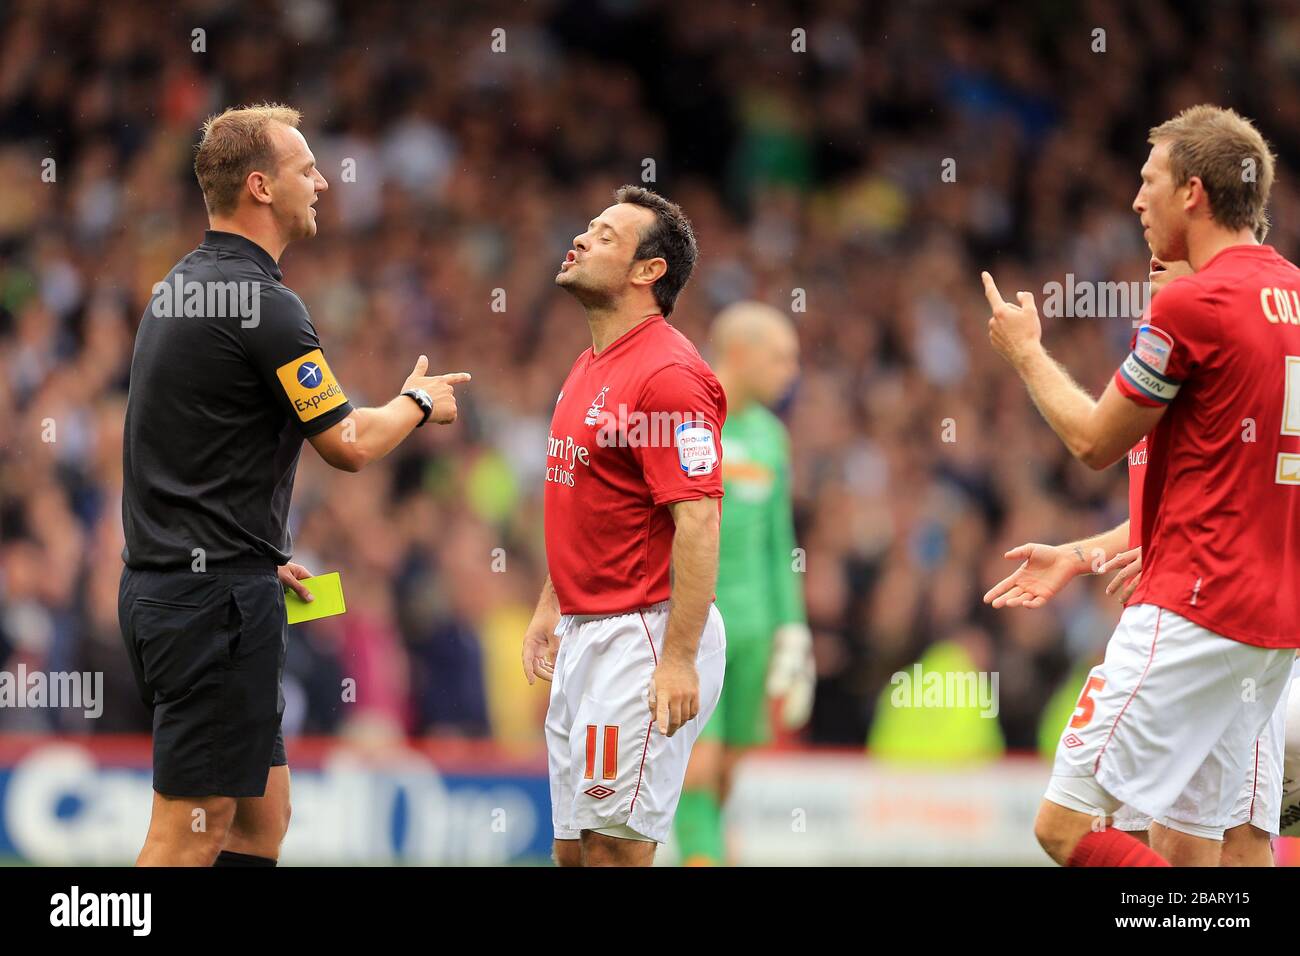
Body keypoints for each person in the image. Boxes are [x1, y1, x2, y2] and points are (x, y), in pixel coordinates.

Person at [120, 103, 469, 866]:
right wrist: (416, 403)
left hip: (201, 586)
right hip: (208, 607)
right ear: (260, 187)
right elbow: (345, 443)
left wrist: (246, 552)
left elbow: (182, 451)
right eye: (306, 169)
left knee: (259, 820)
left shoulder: (179, 290)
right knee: (190, 827)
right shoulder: (267, 308)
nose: (322, 182)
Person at [982, 104, 1300, 866]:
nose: (1135, 199)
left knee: (1066, 828)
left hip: (1194, 607)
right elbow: (1235, 478)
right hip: (1271, 626)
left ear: (1193, 191)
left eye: (1148, 180)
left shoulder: (1193, 306)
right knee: (1217, 845)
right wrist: (1089, 554)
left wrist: (1026, 353)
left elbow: (1094, 440)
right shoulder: (1290, 295)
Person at [521, 185, 727, 867]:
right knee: (573, 852)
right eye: (586, 228)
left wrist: (677, 659)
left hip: (644, 632)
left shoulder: (669, 374)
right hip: (587, 629)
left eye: (605, 236)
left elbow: (698, 520)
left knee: (614, 851)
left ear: (648, 272)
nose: (580, 239)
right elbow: (585, 499)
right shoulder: (589, 365)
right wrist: (552, 603)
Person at [674, 301, 812, 866]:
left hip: (755, 631)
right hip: (696, 623)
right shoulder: (687, 420)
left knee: (727, 770)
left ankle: (707, 848)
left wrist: (794, 630)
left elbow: (780, 543)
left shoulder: (771, 437)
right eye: (780, 358)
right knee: (696, 767)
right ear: (739, 354)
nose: (791, 372)